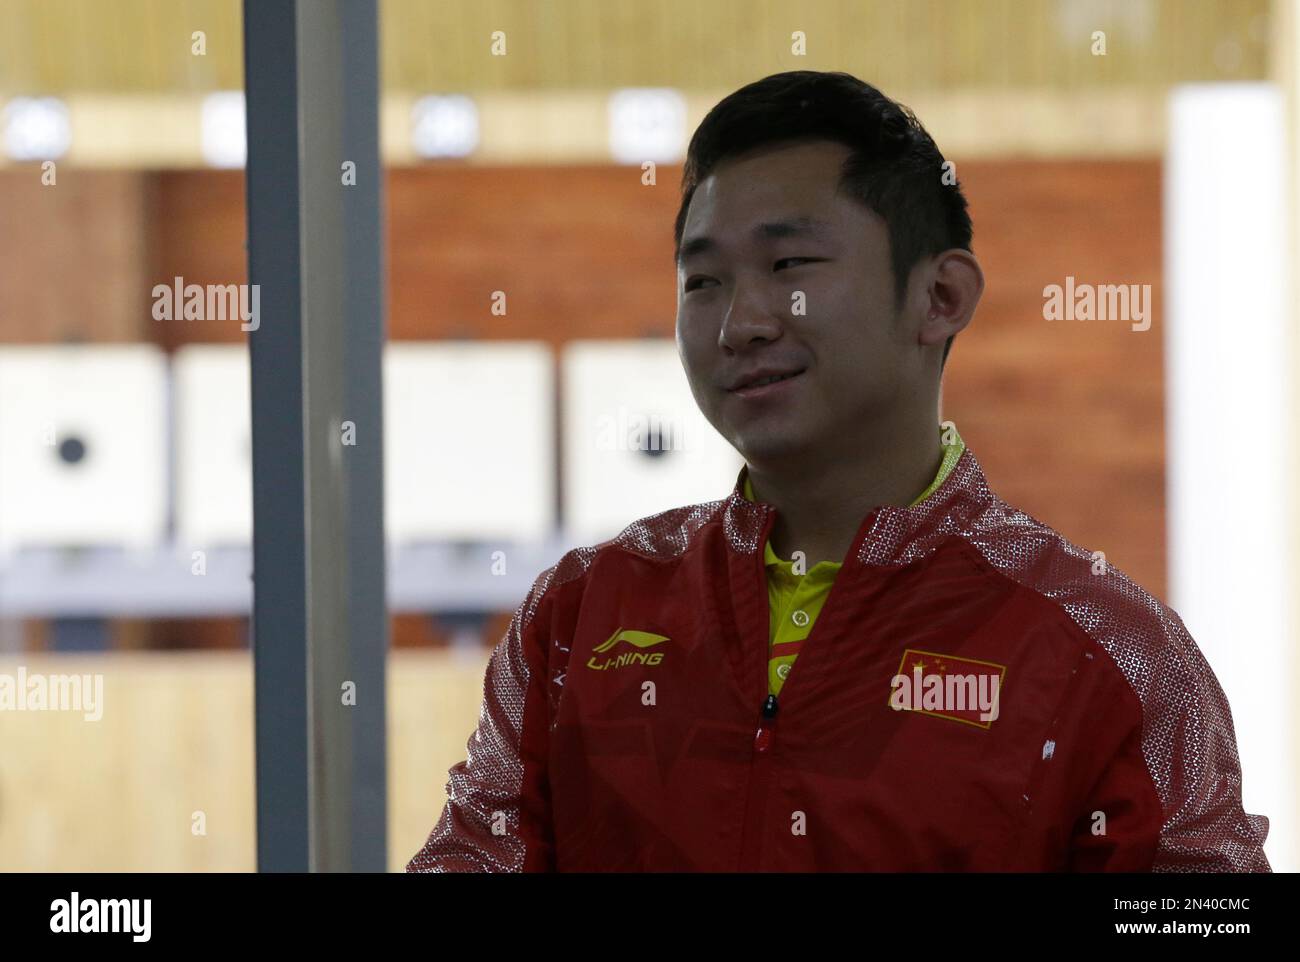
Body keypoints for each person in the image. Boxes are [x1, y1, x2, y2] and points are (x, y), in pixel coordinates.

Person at [407, 70, 1270, 872]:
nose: (739, 323)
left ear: (940, 298)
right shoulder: (584, 613)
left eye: (789, 267)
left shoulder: (1108, 652)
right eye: (702, 280)